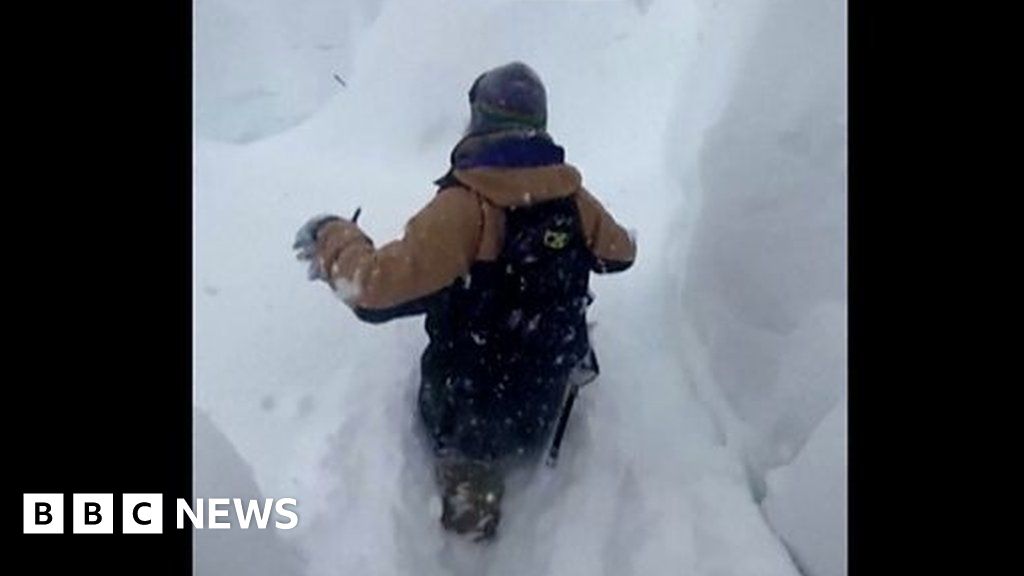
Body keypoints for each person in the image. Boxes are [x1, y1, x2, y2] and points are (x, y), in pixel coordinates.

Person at [294, 62, 635, 540]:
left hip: (469, 408)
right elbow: (621, 253)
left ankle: (466, 517)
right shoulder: (572, 197)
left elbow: (371, 291)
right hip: (544, 398)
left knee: (468, 447)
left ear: (479, 119)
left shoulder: (464, 205)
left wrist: (335, 237)